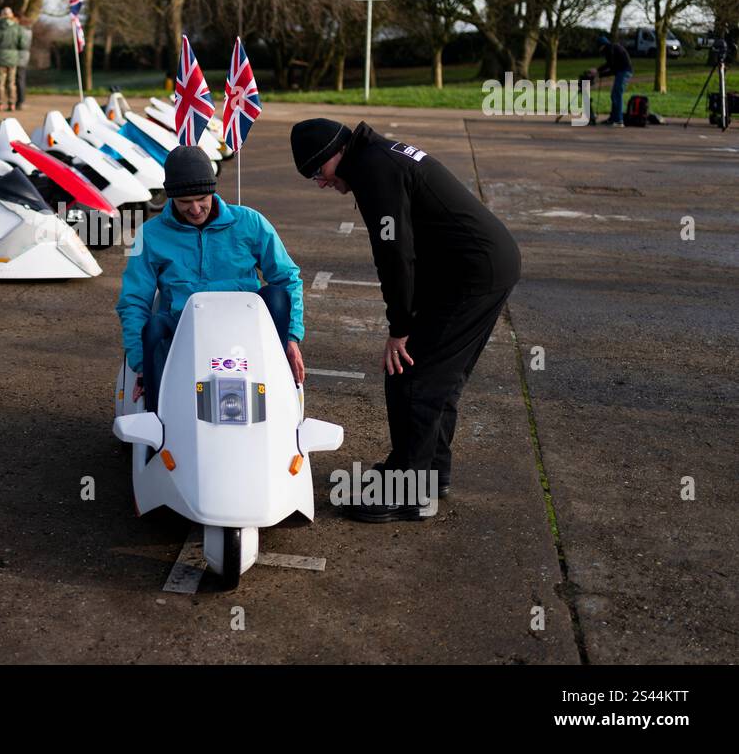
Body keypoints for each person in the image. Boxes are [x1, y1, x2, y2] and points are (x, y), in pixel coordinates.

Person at [291, 119, 521, 522]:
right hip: (476, 266)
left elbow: (395, 255)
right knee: (436, 376)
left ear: (336, 152)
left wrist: (399, 328)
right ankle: (431, 471)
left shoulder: (373, 171)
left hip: (472, 274)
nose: (321, 182)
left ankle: (409, 491)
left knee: (413, 375)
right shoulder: (376, 157)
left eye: (318, 171)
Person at [117, 146, 306, 413]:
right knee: (155, 327)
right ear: (171, 198)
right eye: (185, 202)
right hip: (183, 329)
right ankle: (156, 423)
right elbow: (133, 301)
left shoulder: (250, 222)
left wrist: (291, 338)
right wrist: (141, 363)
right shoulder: (149, 235)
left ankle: (279, 395)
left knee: (276, 295)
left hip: (247, 328)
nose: (195, 209)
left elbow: (288, 277)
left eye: (201, 199)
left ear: (213, 191)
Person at [586, 35, 633, 127]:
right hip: (622, 71)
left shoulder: (609, 49)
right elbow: (609, 64)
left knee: (617, 95)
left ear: (602, 45)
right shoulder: (612, 48)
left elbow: (612, 68)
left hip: (624, 72)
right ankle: (613, 119)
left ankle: (619, 121)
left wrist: (599, 74)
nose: (600, 51)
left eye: (599, 48)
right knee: (614, 95)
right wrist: (597, 70)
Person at [0, 7, 22, 111]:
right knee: (11, 82)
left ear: (1, 15)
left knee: (0, 83)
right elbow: (21, 43)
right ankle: (12, 104)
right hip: (13, 58)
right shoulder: (17, 27)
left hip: (0, 57)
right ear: (11, 15)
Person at [15, 17, 33, 110]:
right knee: (21, 79)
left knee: (20, 79)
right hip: (24, 56)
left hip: (20, 57)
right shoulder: (28, 31)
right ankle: (20, 101)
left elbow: (21, 44)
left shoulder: (21, 31)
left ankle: (20, 101)